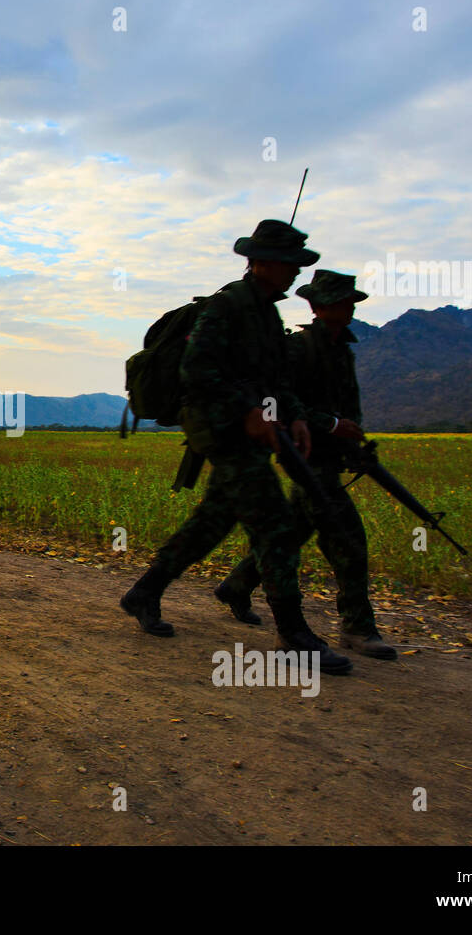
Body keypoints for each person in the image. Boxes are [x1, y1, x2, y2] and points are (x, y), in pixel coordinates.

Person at [118, 219, 352, 675]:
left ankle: (144, 592)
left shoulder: (267, 313)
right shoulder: (226, 308)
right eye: (288, 264)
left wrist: (297, 415)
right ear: (260, 262)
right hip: (220, 429)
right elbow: (196, 371)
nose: (294, 273)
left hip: (250, 430)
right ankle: (294, 633)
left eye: (297, 265)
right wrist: (247, 409)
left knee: (213, 521)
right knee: (278, 525)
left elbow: (277, 379)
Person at [215, 270, 396, 659]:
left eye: (350, 301)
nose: (349, 308)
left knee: (292, 533)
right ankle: (357, 627)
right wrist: (329, 425)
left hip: (330, 458)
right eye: (342, 301)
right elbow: (278, 399)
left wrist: (352, 441)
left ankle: (238, 584)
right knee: (348, 541)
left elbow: (345, 406)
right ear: (319, 307)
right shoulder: (297, 348)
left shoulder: (341, 349)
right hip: (307, 458)